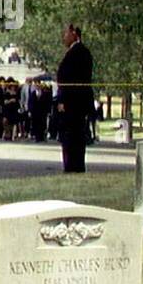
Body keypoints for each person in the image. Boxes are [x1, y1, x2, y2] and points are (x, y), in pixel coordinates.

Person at [55, 23, 94, 173]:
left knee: (74, 136)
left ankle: (74, 166)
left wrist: (63, 100)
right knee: (69, 136)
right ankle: (70, 164)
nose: (63, 37)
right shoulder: (73, 52)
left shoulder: (80, 53)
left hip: (75, 103)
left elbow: (71, 79)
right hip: (72, 102)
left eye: (66, 34)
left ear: (74, 34)